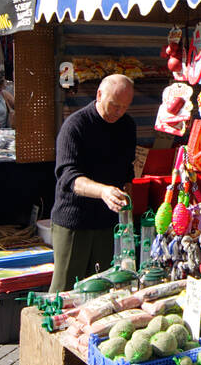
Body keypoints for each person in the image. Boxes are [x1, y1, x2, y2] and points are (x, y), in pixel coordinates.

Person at [50, 74, 137, 293]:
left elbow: (127, 168)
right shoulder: (75, 125)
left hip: (109, 222)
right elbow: (68, 176)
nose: (118, 112)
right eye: (114, 105)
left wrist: (127, 193)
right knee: (66, 290)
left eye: (124, 107)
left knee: (102, 289)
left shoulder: (127, 125)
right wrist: (103, 191)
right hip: (74, 221)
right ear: (99, 95)